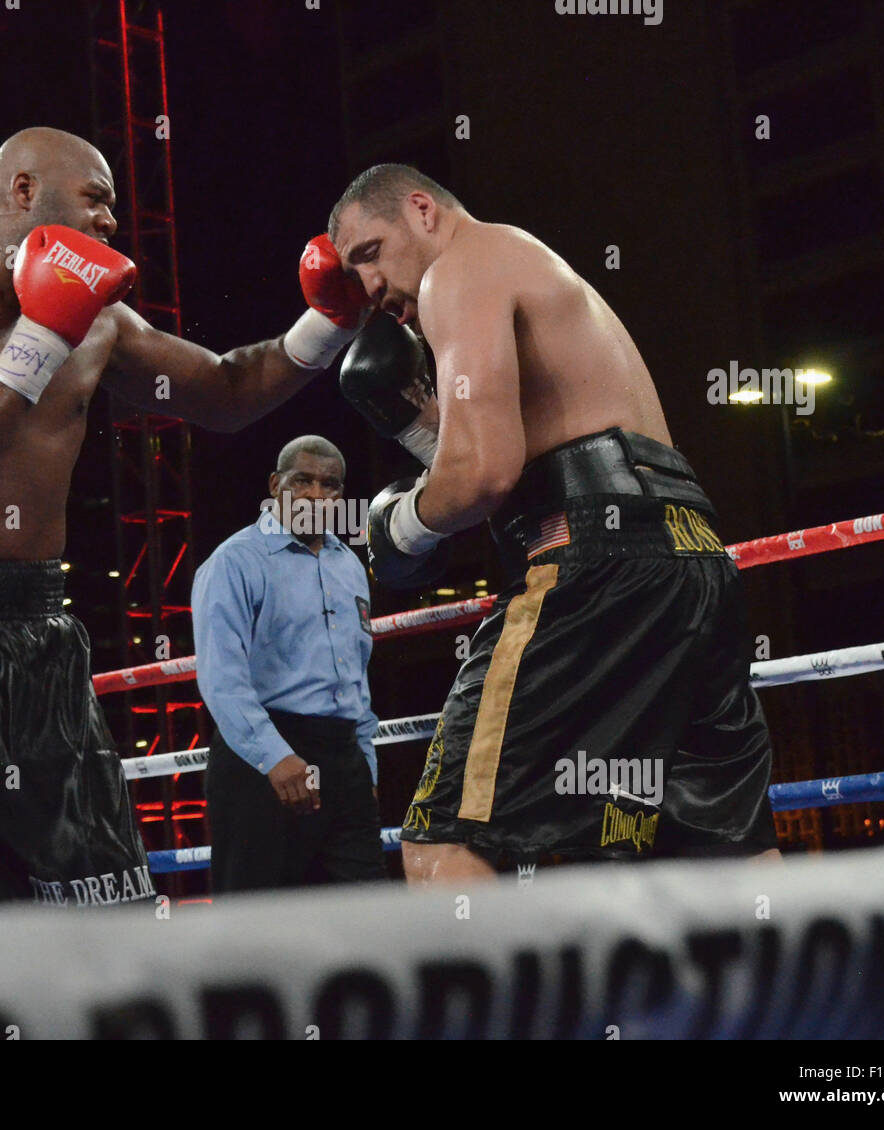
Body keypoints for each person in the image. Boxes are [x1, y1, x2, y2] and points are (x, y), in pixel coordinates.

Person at [0, 127, 372, 921]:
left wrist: (327, 320)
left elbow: (225, 392)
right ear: (23, 191)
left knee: (99, 902)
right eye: (96, 199)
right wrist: (40, 337)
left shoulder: (100, 327)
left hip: (30, 633)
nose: (112, 224)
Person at [328, 164, 781, 882]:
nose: (371, 289)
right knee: (725, 855)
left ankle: (500, 1003)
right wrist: (420, 426)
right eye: (354, 278)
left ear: (422, 210)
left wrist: (397, 525)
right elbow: (514, 446)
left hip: (598, 565)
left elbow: (482, 472)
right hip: (690, 559)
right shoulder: (522, 261)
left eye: (369, 253)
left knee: (444, 842)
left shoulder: (462, 266)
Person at [191, 437, 385, 893]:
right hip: (264, 756)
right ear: (275, 485)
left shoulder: (350, 566)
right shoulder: (235, 562)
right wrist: (275, 757)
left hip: (344, 758)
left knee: (367, 915)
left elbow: (356, 674)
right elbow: (222, 678)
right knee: (260, 929)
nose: (317, 495)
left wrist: (366, 767)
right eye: (303, 481)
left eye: (330, 484)